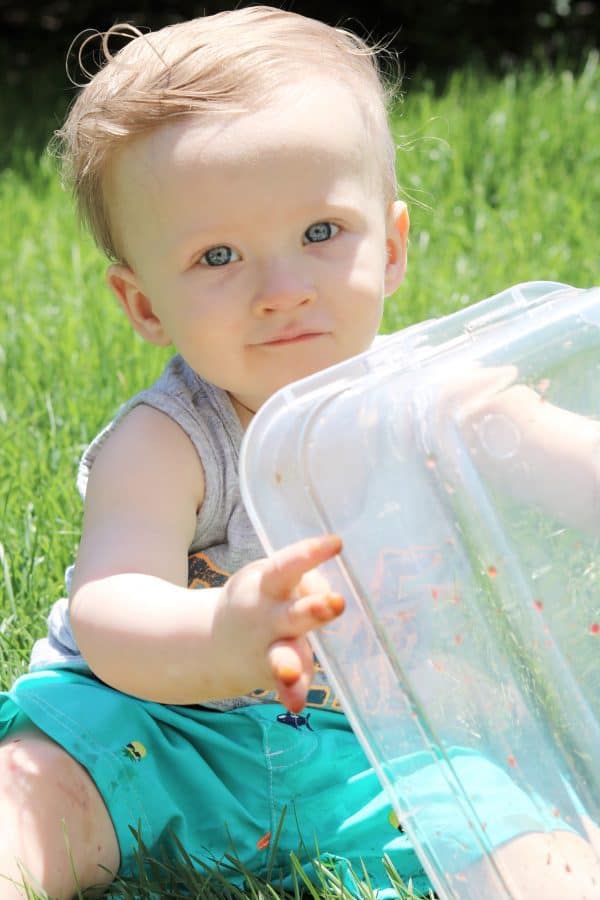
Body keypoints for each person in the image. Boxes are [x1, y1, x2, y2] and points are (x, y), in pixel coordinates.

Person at [0, 7, 598, 899]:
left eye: (321, 235)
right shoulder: (167, 439)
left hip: (373, 748)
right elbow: (112, 610)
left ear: (390, 246)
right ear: (145, 305)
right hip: (157, 734)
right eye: (218, 255)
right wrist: (225, 633)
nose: (282, 291)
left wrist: (515, 431)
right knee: (30, 797)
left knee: (539, 851)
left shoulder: (436, 401)